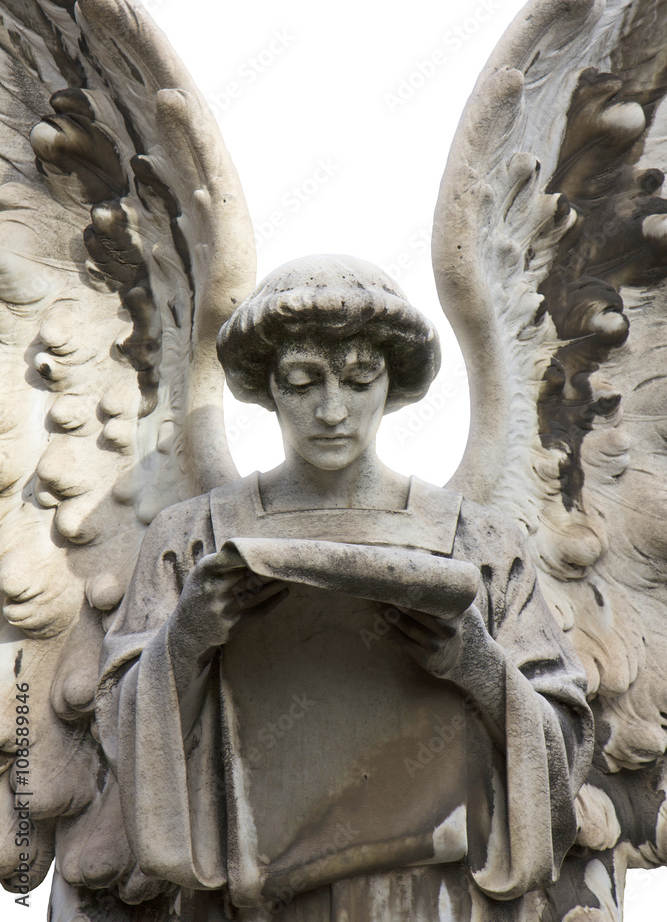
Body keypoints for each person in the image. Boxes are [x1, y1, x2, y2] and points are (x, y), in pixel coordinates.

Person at [96, 256, 594, 921]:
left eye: (359, 379)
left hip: (438, 898)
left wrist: (475, 665)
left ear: (392, 382)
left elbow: (564, 750)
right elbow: (118, 740)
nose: (330, 410)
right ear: (266, 385)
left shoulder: (480, 540)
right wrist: (185, 641)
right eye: (301, 381)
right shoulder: (192, 535)